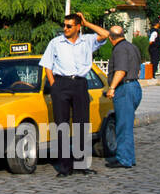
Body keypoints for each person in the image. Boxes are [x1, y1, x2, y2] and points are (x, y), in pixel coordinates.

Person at [39, 12, 104, 176]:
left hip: (80, 84)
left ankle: (81, 165)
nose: (65, 28)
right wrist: (54, 85)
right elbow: (47, 65)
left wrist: (87, 22)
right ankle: (64, 167)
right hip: (61, 83)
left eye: (69, 26)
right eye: (64, 25)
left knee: (81, 124)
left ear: (77, 27)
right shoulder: (56, 43)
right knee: (61, 125)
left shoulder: (87, 41)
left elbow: (106, 34)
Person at [100, 24, 143, 170]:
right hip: (135, 87)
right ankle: (129, 157)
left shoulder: (119, 49)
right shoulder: (132, 47)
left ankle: (124, 159)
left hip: (124, 88)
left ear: (111, 38)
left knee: (123, 125)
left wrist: (112, 88)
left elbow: (121, 70)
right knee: (127, 124)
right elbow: (138, 69)